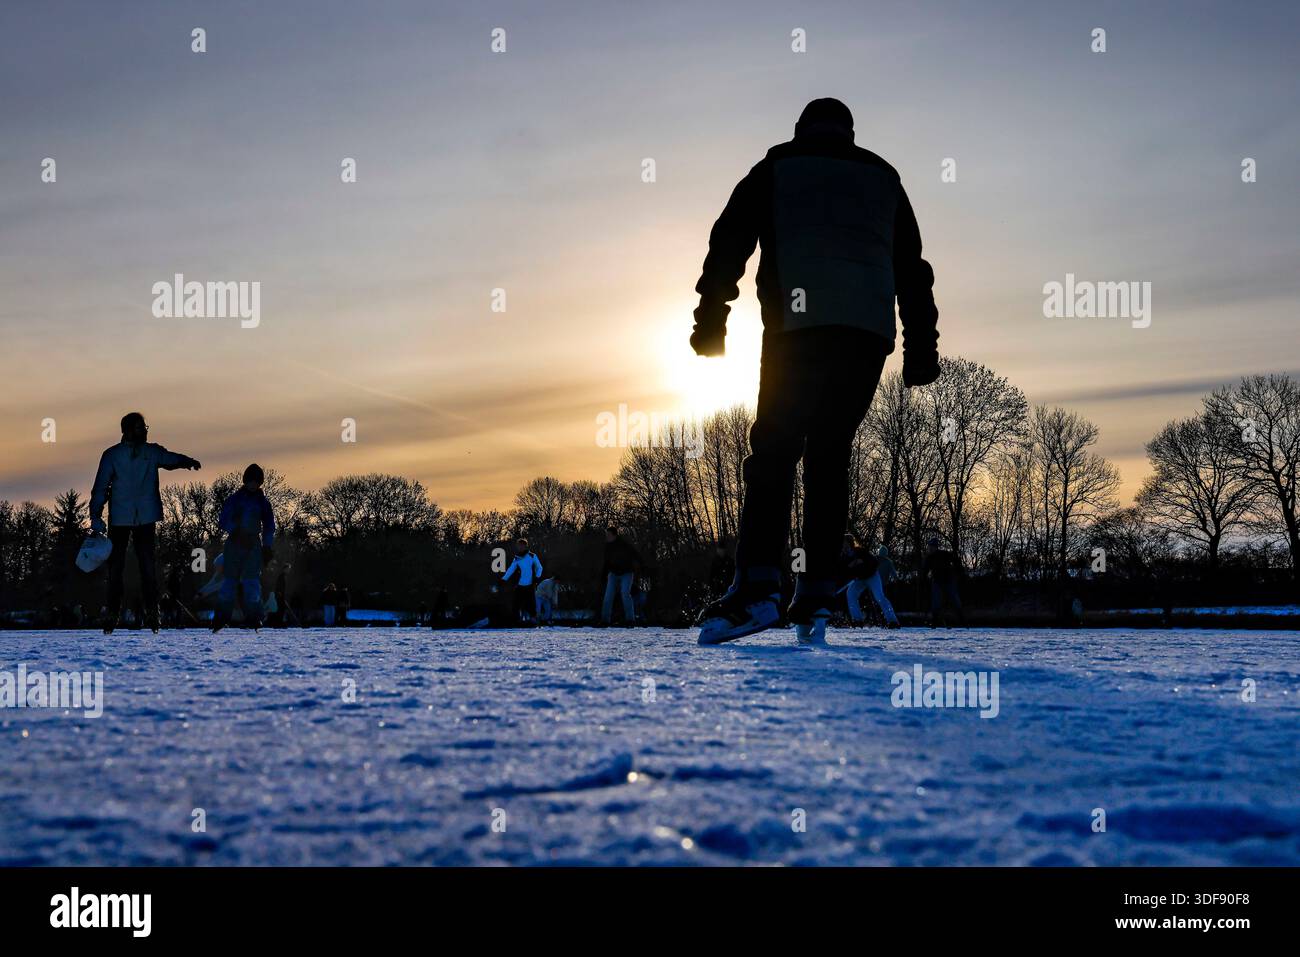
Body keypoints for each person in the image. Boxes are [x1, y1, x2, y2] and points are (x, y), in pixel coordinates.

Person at [692, 98, 940, 645]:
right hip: (865, 334)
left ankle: (759, 587)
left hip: (796, 327)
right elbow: (912, 269)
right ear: (850, 135)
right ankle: (818, 595)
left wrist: (712, 319)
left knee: (776, 449)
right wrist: (922, 347)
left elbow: (728, 241)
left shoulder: (777, 166)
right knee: (831, 456)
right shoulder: (884, 177)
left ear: (801, 131)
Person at [89, 411, 202, 633]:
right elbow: (100, 487)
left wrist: (186, 461)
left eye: (145, 427)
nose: (145, 431)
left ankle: (152, 613)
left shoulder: (150, 452)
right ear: (129, 430)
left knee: (147, 568)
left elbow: (169, 458)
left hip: (145, 518)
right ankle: (113, 614)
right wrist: (95, 515)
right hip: (121, 520)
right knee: (117, 569)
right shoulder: (113, 455)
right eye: (141, 427)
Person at [212, 464, 276, 632]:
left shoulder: (263, 503)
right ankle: (221, 617)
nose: (253, 485)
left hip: (253, 544)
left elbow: (269, 525)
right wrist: (236, 530)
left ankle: (254, 617)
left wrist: (267, 546)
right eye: (250, 481)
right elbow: (223, 519)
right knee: (229, 581)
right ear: (245, 482)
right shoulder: (235, 499)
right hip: (234, 543)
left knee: (251, 582)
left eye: (256, 482)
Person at [600, 527, 641, 625]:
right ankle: (605, 620)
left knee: (625, 593)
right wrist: (603, 575)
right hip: (613, 573)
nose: (607, 537)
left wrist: (640, 566)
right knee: (608, 596)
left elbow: (635, 555)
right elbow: (606, 562)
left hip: (626, 572)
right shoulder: (608, 547)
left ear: (614, 535)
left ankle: (630, 620)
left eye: (609, 535)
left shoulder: (624, 545)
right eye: (606, 535)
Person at [924, 537, 964, 628]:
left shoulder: (944, 554)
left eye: (931, 547)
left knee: (955, 599)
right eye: (929, 546)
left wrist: (958, 572)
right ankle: (934, 622)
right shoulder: (929, 558)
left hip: (948, 580)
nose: (929, 548)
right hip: (937, 582)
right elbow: (925, 570)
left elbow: (956, 561)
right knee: (936, 601)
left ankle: (962, 619)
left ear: (935, 547)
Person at [502, 538, 543, 624]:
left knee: (531, 603)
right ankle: (515, 620)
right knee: (516, 603)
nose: (520, 547)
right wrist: (503, 579)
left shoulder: (532, 556)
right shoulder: (517, 557)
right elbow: (511, 569)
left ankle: (533, 620)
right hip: (520, 584)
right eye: (519, 546)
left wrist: (537, 577)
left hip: (530, 584)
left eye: (522, 546)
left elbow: (539, 567)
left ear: (525, 546)